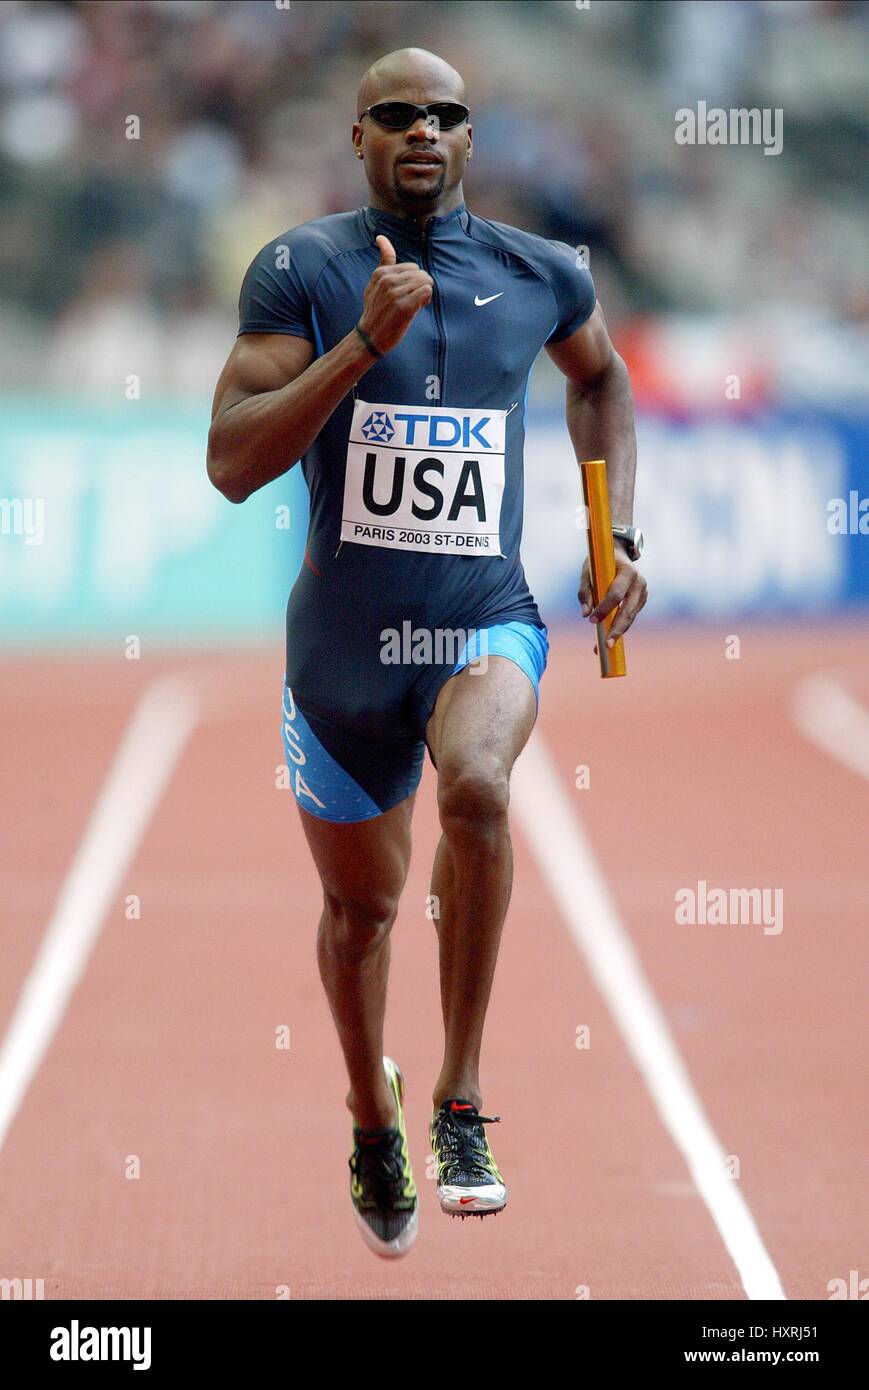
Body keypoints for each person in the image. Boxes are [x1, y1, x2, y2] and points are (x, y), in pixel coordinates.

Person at [207, 47, 647, 1259]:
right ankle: (371, 1111)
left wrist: (612, 533)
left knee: (479, 786)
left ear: (469, 141)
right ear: (356, 138)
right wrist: (357, 347)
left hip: (479, 620)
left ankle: (458, 1096)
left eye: (443, 115)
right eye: (393, 113)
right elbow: (231, 463)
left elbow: (599, 378)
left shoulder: (540, 269)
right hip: (339, 656)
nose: (420, 130)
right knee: (362, 914)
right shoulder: (300, 269)